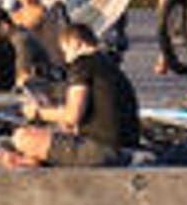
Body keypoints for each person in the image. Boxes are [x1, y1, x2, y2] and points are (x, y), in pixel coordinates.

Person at [8, 9, 140, 169]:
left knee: (21, 137)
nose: (66, 59)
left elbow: (72, 115)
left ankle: (29, 162)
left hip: (102, 152)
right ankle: (32, 162)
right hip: (125, 150)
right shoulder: (109, 65)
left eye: (65, 52)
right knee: (45, 138)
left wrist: (38, 113)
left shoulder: (82, 64)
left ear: (76, 43)